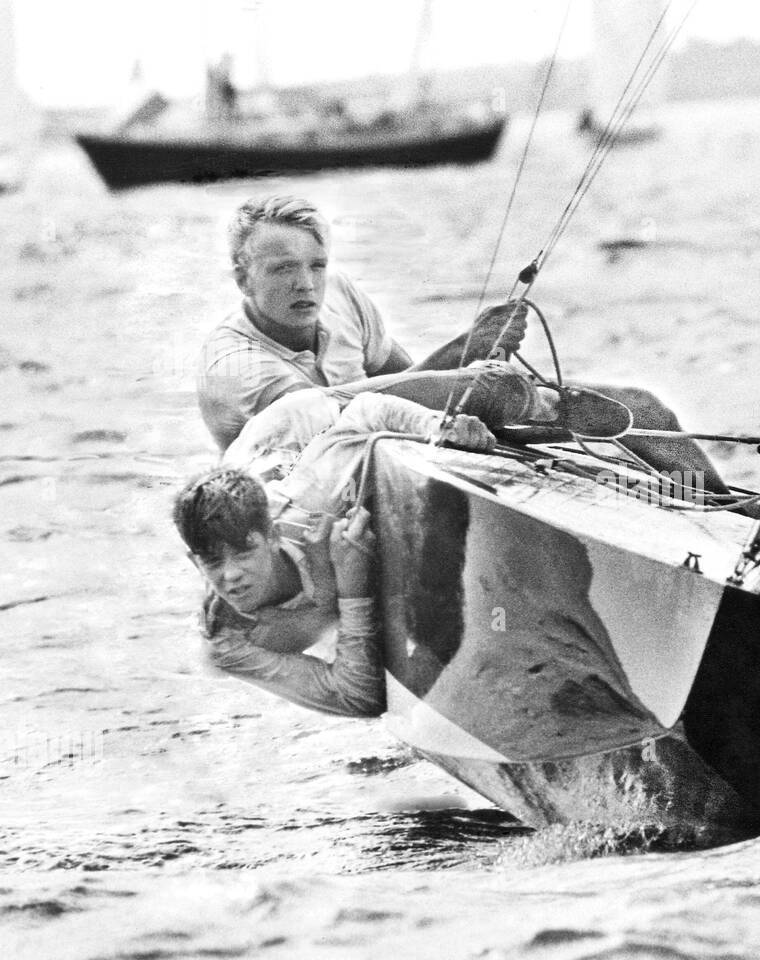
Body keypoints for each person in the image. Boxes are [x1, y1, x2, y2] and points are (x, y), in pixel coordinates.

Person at [198, 193, 729, 494]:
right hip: (319, 490)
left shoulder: (340, 298)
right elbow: (334, 423)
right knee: (499, 395)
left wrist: (466, 353)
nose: (306, 284)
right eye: (283, 269)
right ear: (242, 279)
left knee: (642, 409)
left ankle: (727, 513)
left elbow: (412, 380)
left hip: (403, 445)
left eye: (316, 265)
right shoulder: (237, 367)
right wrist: (470, 359)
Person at [175, 390, 497, 717]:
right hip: (253, 467)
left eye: (244, 553)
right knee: (426, 651)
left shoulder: (314, 503)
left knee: (497, 390)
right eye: (213, 561)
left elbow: (367, 410)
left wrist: (438, 427)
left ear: (271, 537)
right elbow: (360, 699)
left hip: (298, 423)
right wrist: (351, 590)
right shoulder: (228, 641)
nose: (230, 576)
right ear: (194, 561)